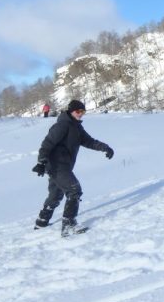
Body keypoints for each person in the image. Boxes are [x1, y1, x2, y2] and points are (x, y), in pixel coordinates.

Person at [31, 100, 114, 235]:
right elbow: (47, 143)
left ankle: (41, 222)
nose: (81, 114)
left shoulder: (77, 127)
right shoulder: (62, 125)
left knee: (55, 196)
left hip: (64, 166)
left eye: (83, 112)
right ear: (71, 111)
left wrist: (105, 148)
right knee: (74, 190)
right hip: (57, 165)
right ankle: (69, 225)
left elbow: (89, 141)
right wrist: (41, 162)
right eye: (78, 111)